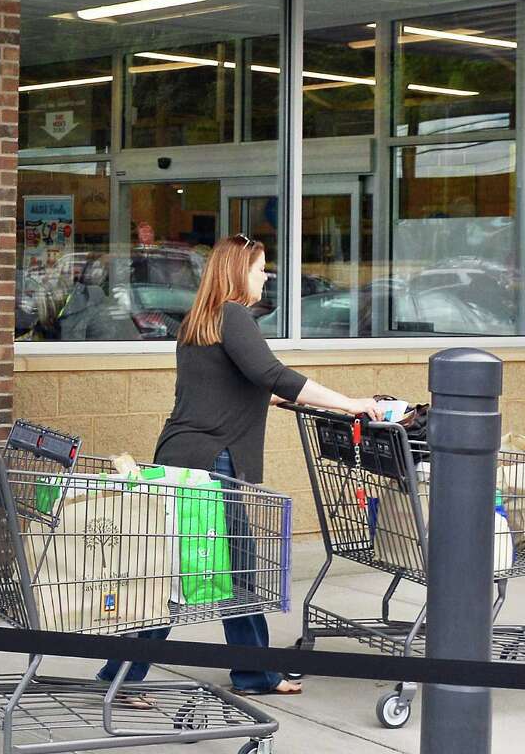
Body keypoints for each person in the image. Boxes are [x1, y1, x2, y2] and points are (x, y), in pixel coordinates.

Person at [97, 234, 388, 698]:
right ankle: (252, 674)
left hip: (180, 455)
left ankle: (124, 675)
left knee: (179, 571)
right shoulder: (233, 315)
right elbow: (275, 375)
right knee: (234, 571)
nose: (266, 275)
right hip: (213, 461)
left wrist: (270, 396)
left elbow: (234, 383)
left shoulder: (200, 319)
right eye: (260, 268)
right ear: (238, 273)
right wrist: (350, 403)